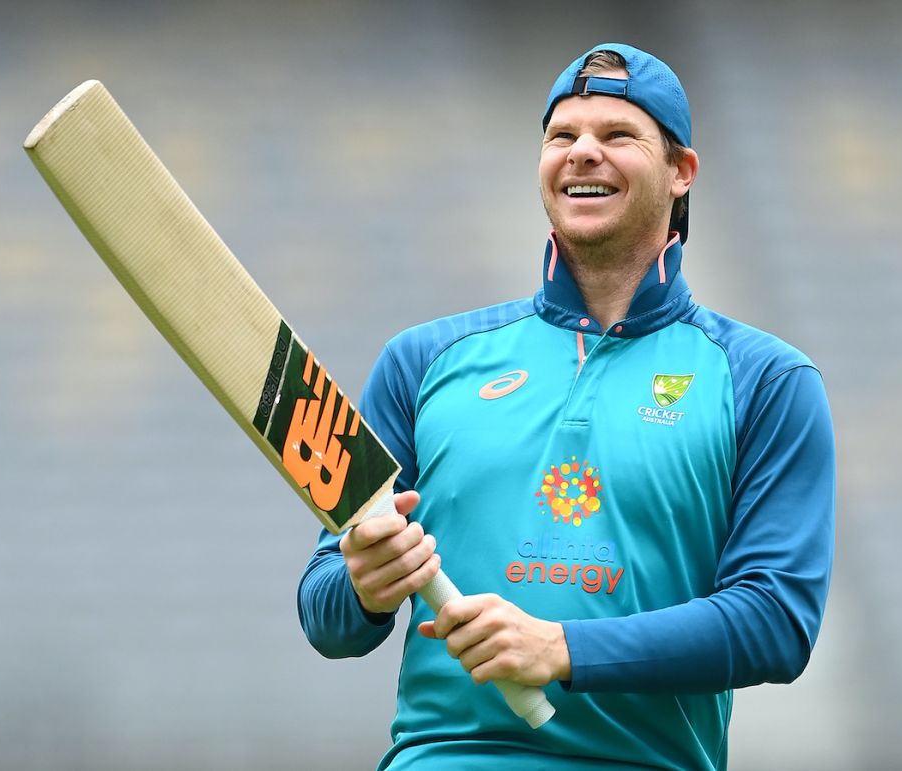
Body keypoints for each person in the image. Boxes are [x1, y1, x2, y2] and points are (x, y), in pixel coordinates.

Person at [298, 42, 835, 771]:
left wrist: (563, 649)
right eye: (562, 136)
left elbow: (777, 621)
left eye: (618, 134)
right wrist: (364, 585)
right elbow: (324, 611)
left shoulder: (766, 378)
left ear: (681, 171)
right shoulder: (419, 361)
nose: (583, 152)